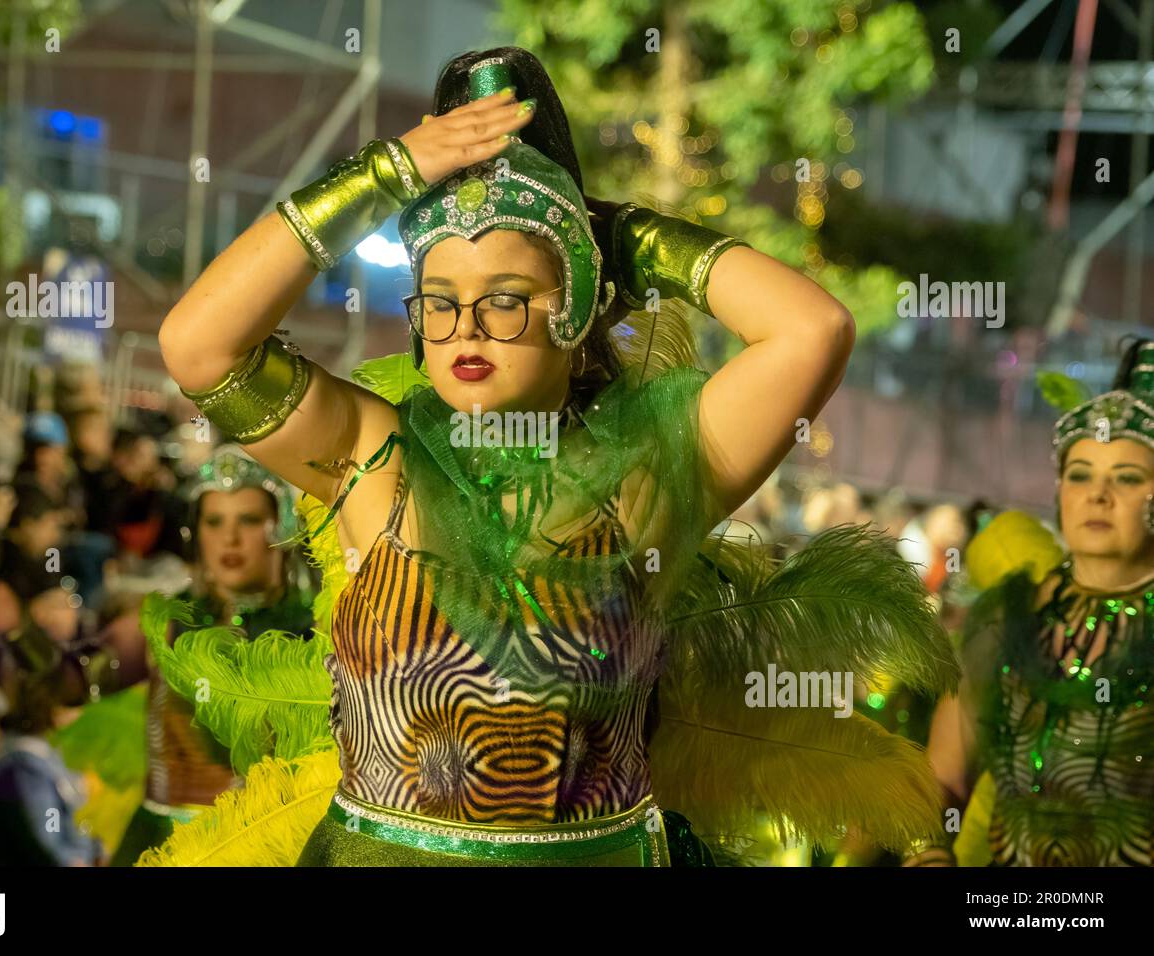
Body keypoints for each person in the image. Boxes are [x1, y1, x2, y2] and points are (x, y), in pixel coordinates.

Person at [151, 48, 958, 867]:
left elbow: (813, 329)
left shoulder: (650, 479)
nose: (466, 326)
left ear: (575, 314)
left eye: (506, 298)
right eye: (440, 301)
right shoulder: (374, 460)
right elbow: (198, 346)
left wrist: (624, 235)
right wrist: (385, 174)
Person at [918, 339, 1154, 866]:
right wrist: (927, 852)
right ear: (1060, 490)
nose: (1098, 494)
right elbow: (942, 777)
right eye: (1081, 474)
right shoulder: (1010, 614)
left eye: (1127, 478)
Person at [106, 445, 315, 865]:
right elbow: (71, 678)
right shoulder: (163, 622)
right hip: (166, 845)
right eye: (214, 521)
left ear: (282, 528)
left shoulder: (316, 630)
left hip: (269, 849)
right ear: (196, 533)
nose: (230, 538)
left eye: (249, 520)